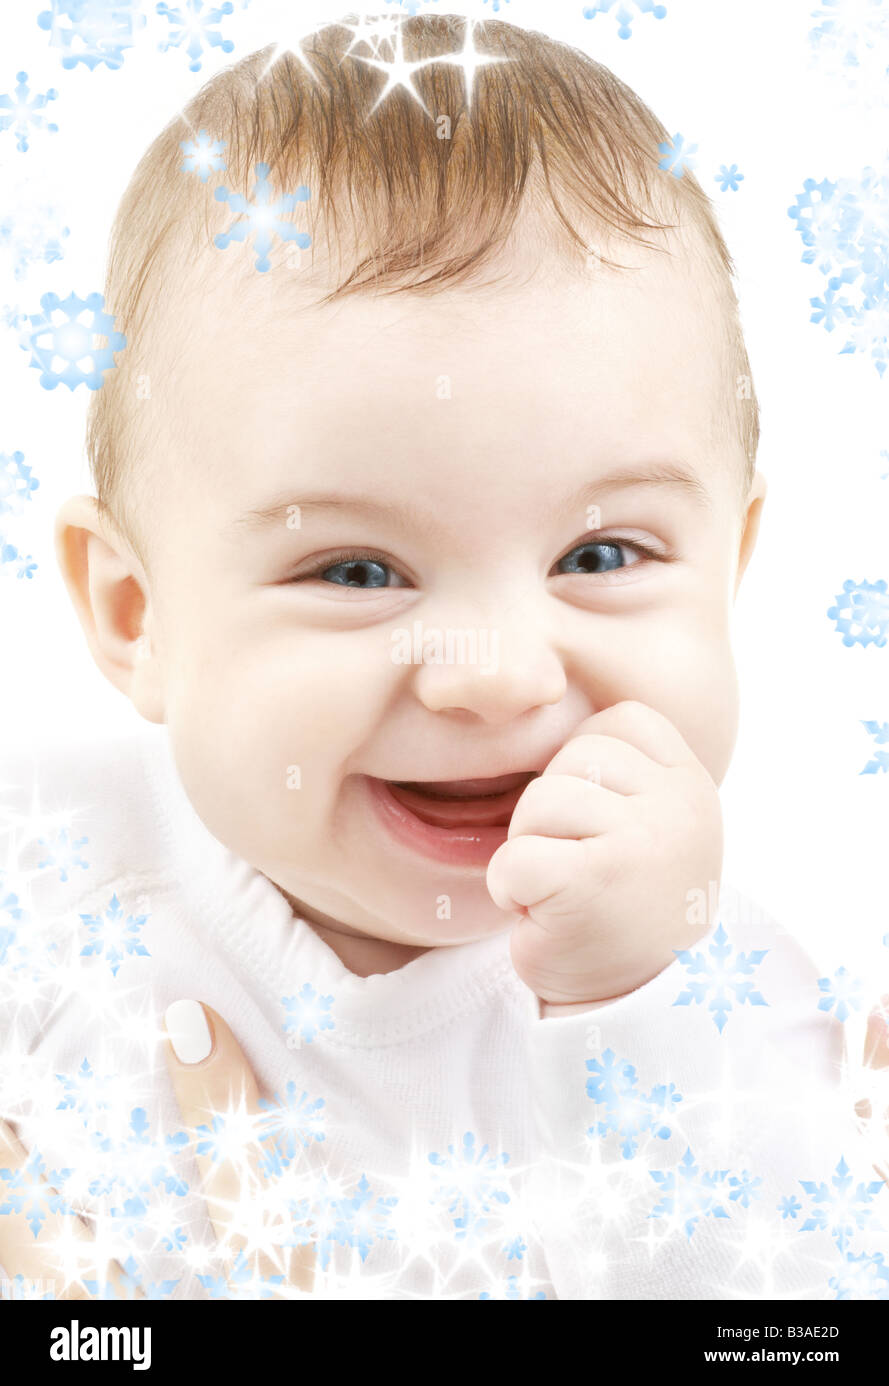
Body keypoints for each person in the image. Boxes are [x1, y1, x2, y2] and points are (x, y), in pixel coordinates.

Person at [1, 14, 886, 1300]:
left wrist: (629, 1020)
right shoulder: (52, 859)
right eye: (358, 571)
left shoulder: (714, 993)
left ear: (732, 572)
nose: (496, 672)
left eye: (600, 555)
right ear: (140, 614)